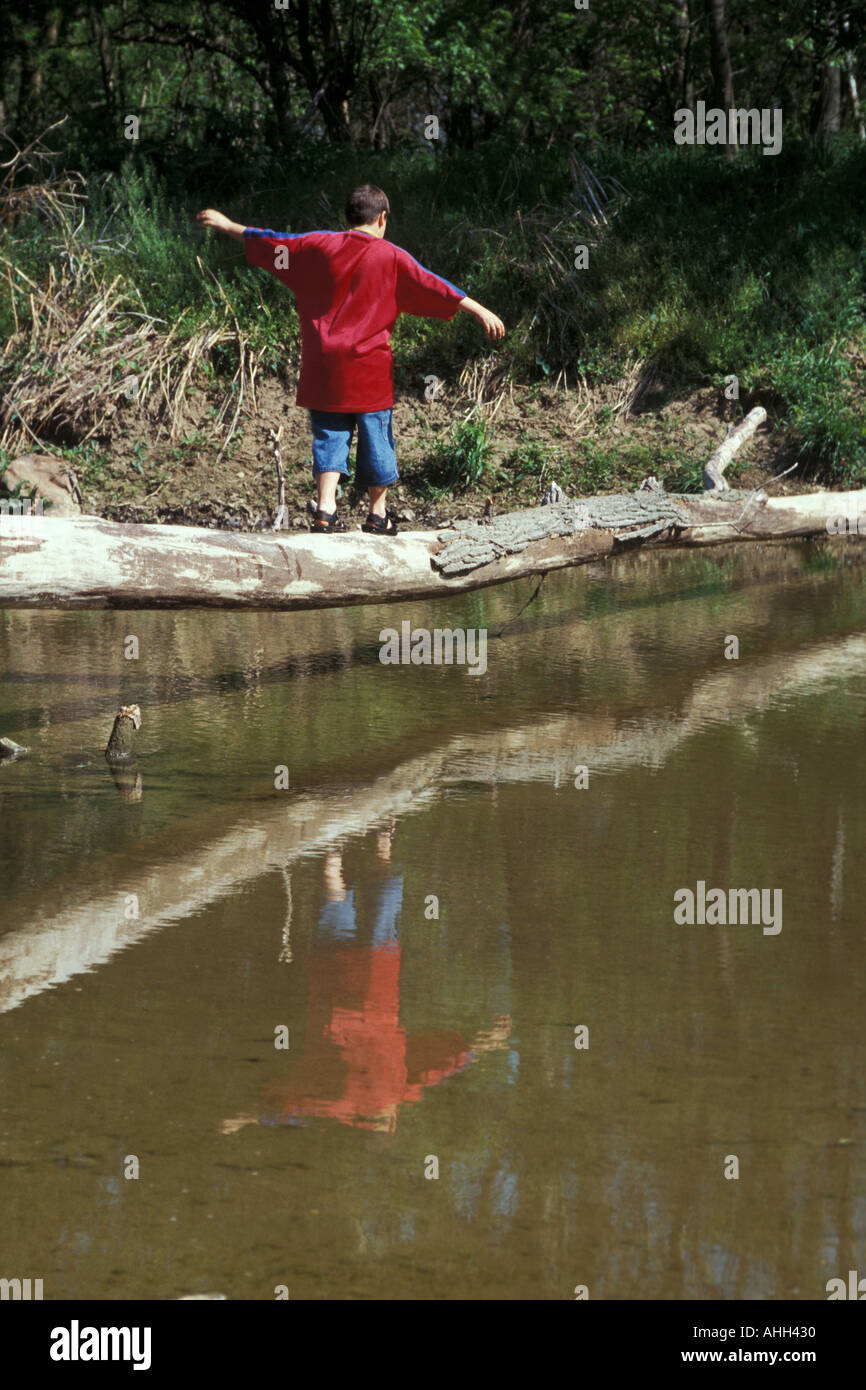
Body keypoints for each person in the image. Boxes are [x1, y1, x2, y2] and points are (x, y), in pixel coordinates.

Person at [197, 184, 505, 535]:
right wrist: (479, 309)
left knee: (329, 434)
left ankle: (326, 510)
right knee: (376, 436)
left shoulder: (316, 246)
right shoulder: (391, 256)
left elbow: (271, 242)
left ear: (346, 218)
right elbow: (431, 285)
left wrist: (225, 224)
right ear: (383, 218)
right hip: (368, 368)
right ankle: (378, 514)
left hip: (323, 364)